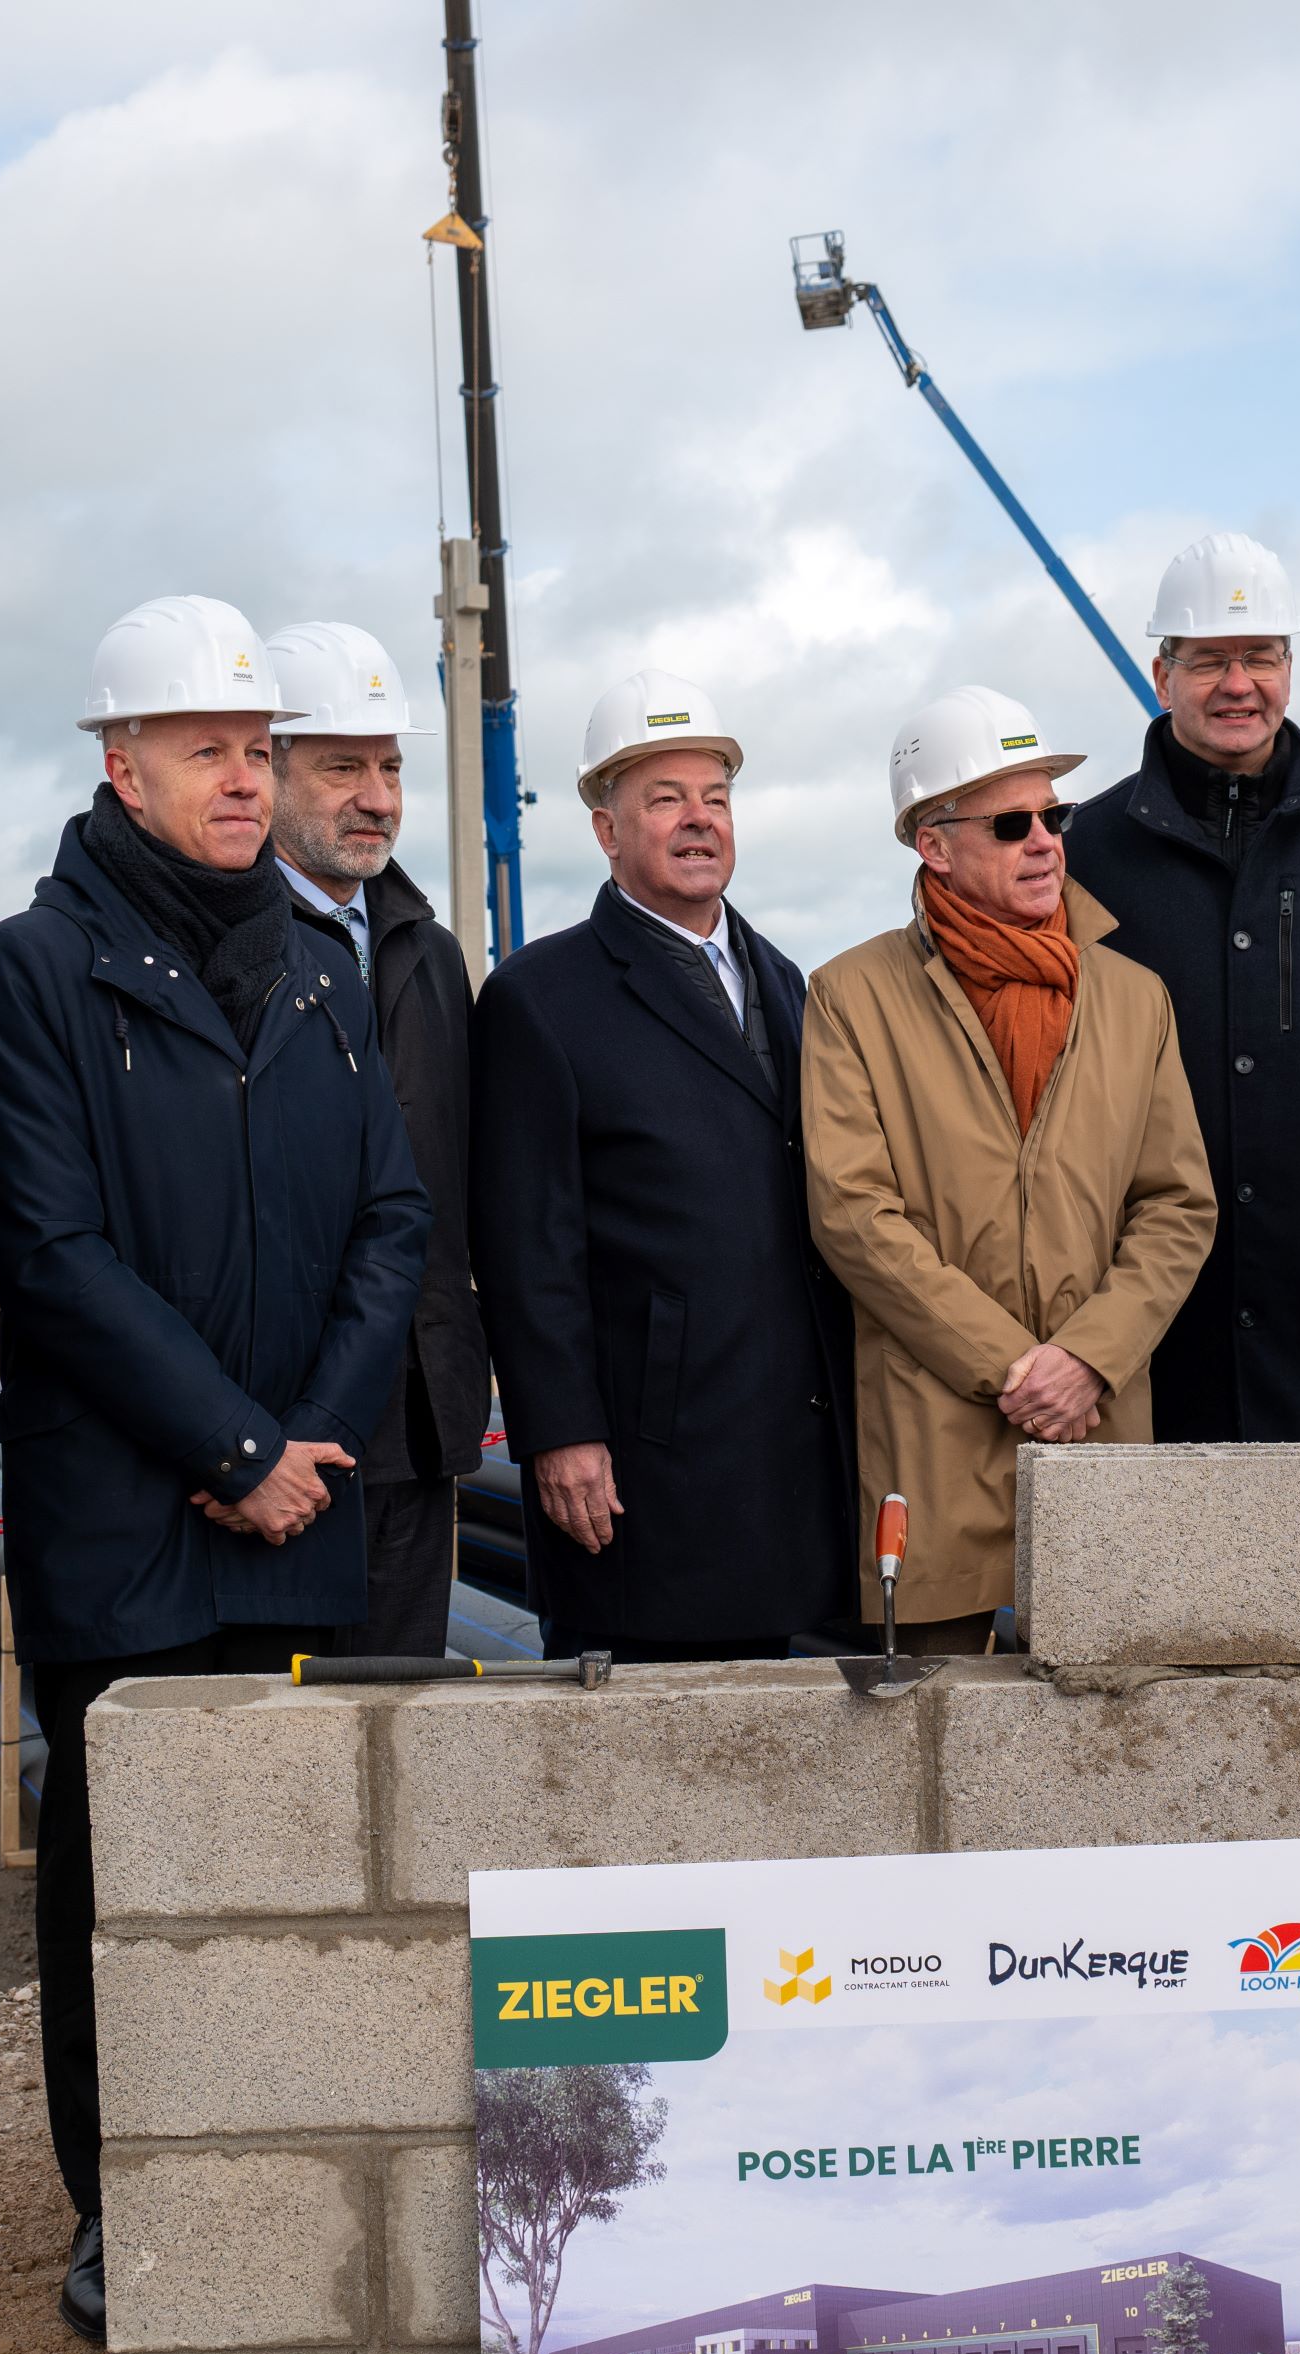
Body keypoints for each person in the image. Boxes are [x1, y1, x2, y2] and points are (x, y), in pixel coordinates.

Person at [0, 594, 427, 2341]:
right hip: (131, 1518)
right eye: (205, 749)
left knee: (287, 1867)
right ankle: (122, 2203)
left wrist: (306, 1445)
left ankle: (274, 2172)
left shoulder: (319, 967)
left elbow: (391, 1219)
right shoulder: (37, 968)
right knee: (121, 1886)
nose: (241, 777)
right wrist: (232, 1445)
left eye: (254, 748)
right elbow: (52, 1249)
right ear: (122, 765)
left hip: (298, 1510)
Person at [801, 687, 1216, 1645]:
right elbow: (854, 1213)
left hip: (1095, 1424)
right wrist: (1016, 1370)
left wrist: (1088, 1359)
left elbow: (1176, 1204)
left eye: (1052, 818)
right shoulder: (851, 996)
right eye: (1010, 823)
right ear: (933, 845)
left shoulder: (1135, 998)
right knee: (932, 1715)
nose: (1044, 843)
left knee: (1107, 1713)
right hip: (935, 1435)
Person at [471, 670, 853, 1659]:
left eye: (715, 797)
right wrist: (560, 1431)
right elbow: (526, 1245)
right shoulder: (541, 998)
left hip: (791, 1460)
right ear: (606, 829)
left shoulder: (785, 982)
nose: (698, 820)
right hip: (646, 1472)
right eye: (666, 799)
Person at [1062, 530, 1300, 1443]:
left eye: (1260, 657)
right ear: (1162, 676)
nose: (1238, 684)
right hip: (1147, 1331)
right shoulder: (1081, 851)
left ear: (1290, 672)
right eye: (1209, 660)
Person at [263, 620, 491, 1661]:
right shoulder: (228, 949)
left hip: (419, 1422)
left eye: (390, 768)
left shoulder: (429, 953)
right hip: (285, 1431)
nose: (377, 797)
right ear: (266, 771)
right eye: (341, 767)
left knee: (405, 1719)